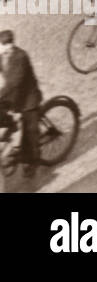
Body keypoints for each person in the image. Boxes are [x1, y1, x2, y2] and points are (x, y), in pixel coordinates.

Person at [0, 30, 41, 176]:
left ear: (9, 45)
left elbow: (14, 83)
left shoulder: (20, 57)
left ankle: (32, 162)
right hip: (12, 96)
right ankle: (12, 145)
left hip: (28, 98)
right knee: (5, 123)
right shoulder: (2, 56)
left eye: (4, 46)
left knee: (30, 133)